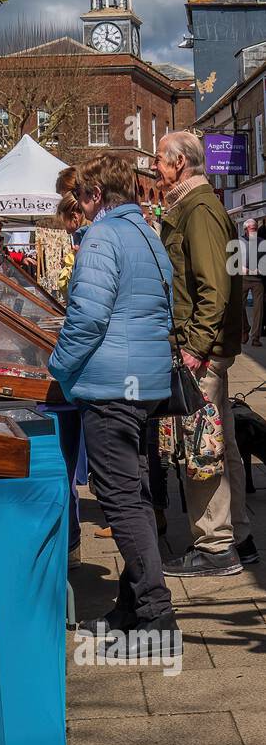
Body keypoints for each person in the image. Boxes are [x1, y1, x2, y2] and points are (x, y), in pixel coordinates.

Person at [48, 153, 179, 659]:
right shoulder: (147, 232)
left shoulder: (102, 237)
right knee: (137, 496)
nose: (78, 205)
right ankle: (131, 605)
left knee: (122, 501)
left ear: (97, 196)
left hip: (109, 388)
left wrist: (59, 367)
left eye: (82, 195)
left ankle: (156, 615)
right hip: (144, 384)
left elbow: (87, 318)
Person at [155, 131, 257, 574]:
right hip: (208, 349)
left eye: (160, 159)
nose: (155, 169)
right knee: (222, 443)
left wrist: (195, 348)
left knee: (203, 447)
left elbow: (213, 289)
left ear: (179, 163)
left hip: (202, 353)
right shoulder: (193, 207)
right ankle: (240, 535)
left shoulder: (199, 210)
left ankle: (215, 547)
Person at [240, 217, 264, 347]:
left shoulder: (262, 242)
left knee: (258, 309)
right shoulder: (239, 241)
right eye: (252, 229)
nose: (254, 232)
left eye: (256, 229)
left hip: (258, 280)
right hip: (243, 279)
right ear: (245, 230)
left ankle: (255, 337)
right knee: (239, 306)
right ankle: (245, 329)